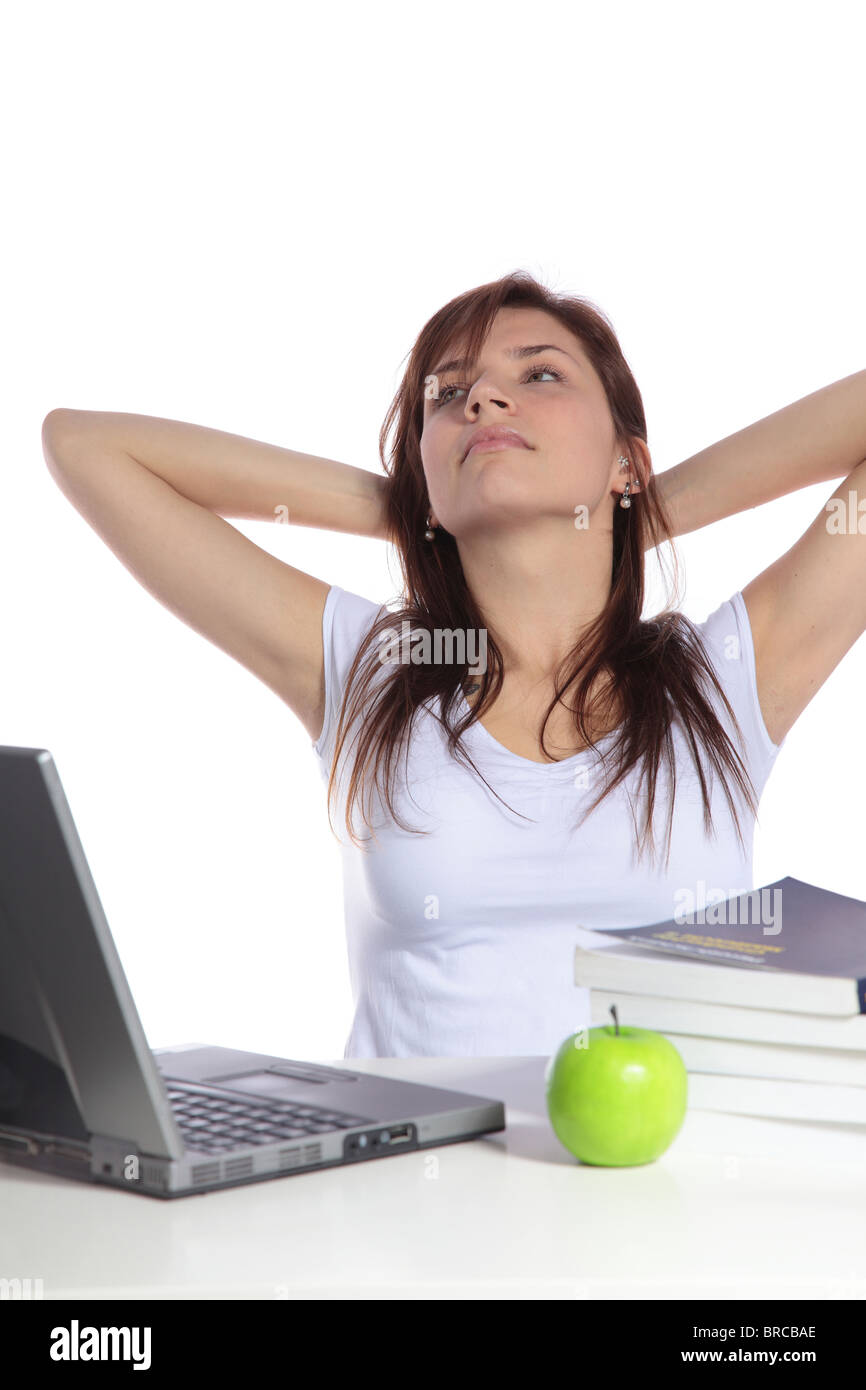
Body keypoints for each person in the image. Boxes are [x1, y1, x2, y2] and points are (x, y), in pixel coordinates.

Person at [42, 270, 866, 1058]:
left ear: (627, 459)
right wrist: (416, 503)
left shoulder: (721, 683)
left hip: (665, 1194)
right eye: (448, 394)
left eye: (540, 375)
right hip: (407, 1194)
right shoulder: (367, 672)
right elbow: (83, 445)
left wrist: (645, 505)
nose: (482, 399)